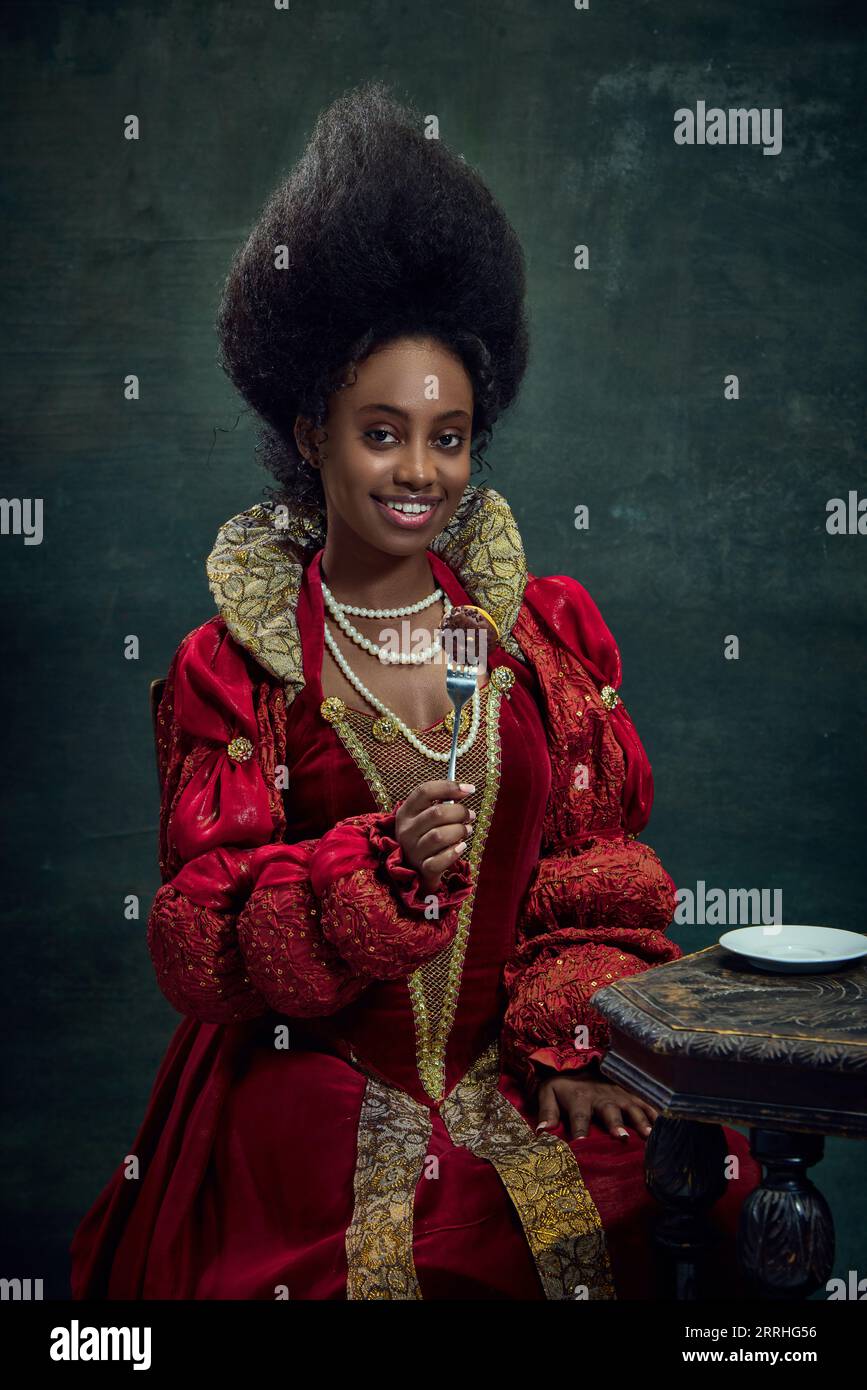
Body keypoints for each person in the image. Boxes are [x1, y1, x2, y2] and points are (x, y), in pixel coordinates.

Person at [70, 80, 759, 1301]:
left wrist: (571, 1031)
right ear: (310, 434)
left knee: (683, 1192)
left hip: (510, 1078)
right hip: (306, 1078)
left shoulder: (540, 633)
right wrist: (363, 877)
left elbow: (593, 870)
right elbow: (196, 933)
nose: (420, 470)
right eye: (382, 433)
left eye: (449, 436)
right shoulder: (234, 665)